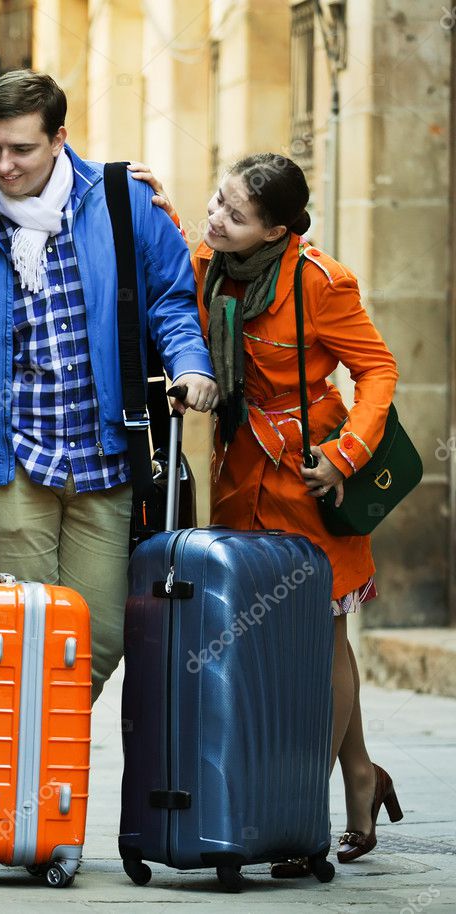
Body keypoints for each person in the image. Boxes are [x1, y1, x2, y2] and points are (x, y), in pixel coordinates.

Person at [131, 154, 402, 870]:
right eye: (217, 201)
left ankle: (299, 806)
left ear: (276, 229)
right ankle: (362, 775)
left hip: (313, 479)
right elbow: (176, 288)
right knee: (296, 640)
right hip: (239, 474)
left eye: (236, 215)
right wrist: (162, 211)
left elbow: (378, 368)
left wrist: (346, 451)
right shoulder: (209, 261)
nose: (218, 219)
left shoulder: (320, 281)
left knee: (322, 631)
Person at [0, 70, 217, 702]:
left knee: (100, 639)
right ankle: (29, 788)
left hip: (105, 460)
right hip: (11, 468)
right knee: (24, 639)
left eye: (21, 149)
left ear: (59, 138)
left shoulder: (122, 200)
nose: (3, 166)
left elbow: (171, 298)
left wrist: (190, 363)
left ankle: (39, 753)